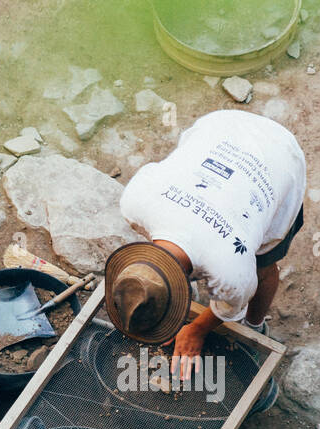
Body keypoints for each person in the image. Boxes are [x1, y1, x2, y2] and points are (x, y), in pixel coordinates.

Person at [109, 109, 307, 410]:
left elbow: (233, 301)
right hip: (219, 128)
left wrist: (196, 329)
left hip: (277, 160)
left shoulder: (232, 272)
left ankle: (256, 327)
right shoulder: (134, 202)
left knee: (264, 268)